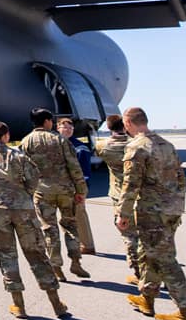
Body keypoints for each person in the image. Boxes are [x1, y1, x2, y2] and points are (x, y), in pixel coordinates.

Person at [0, 121, 70, 319]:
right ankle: (56, 304)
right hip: (23, 209)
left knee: (7, 257)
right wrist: (23, 195)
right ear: (5, 135)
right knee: (37, 254)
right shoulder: (18, 156)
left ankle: (19, 305)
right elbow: (34, 179)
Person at [118, 107, 186, 320]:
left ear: (128, 124)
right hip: (172, 209)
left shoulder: (136, 148)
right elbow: (180, 178)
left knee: (165, 260)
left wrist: (123, 214)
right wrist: (177, 206)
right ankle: (147, 298)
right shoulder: (167, 145)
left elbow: (130, 185)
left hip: (152, 212)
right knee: (147, 254)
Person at [19, 107, 90, 281]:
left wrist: (28, 190)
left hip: (42, 191)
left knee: (49, 230)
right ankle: (76, 262)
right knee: (71, 226)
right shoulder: (60, 140)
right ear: (47, 121)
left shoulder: (26, 142)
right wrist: (81, 190)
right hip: (65, 190)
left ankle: (56, 266)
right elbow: (74, 167)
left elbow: (22, 170)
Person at [99, 114, 140, 285]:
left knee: (129, 236)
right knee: (149, 237)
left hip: (119, 196)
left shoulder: (102, 146)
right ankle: (155, 273)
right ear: (125, 126)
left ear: (108, 128)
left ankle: (139, 273)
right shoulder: (137, 145)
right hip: (141, 195)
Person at [56, 117, 96, 255]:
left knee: (79, 215)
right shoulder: (54, 147)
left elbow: (85, 173)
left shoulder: (80, 148)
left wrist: (81, 191)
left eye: (70, 128)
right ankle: (74, 244)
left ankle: (88, 245)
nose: (67, 130)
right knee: (65, 218)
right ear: (58, 128)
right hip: (60, 189)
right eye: (64, 127)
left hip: (75, 189)